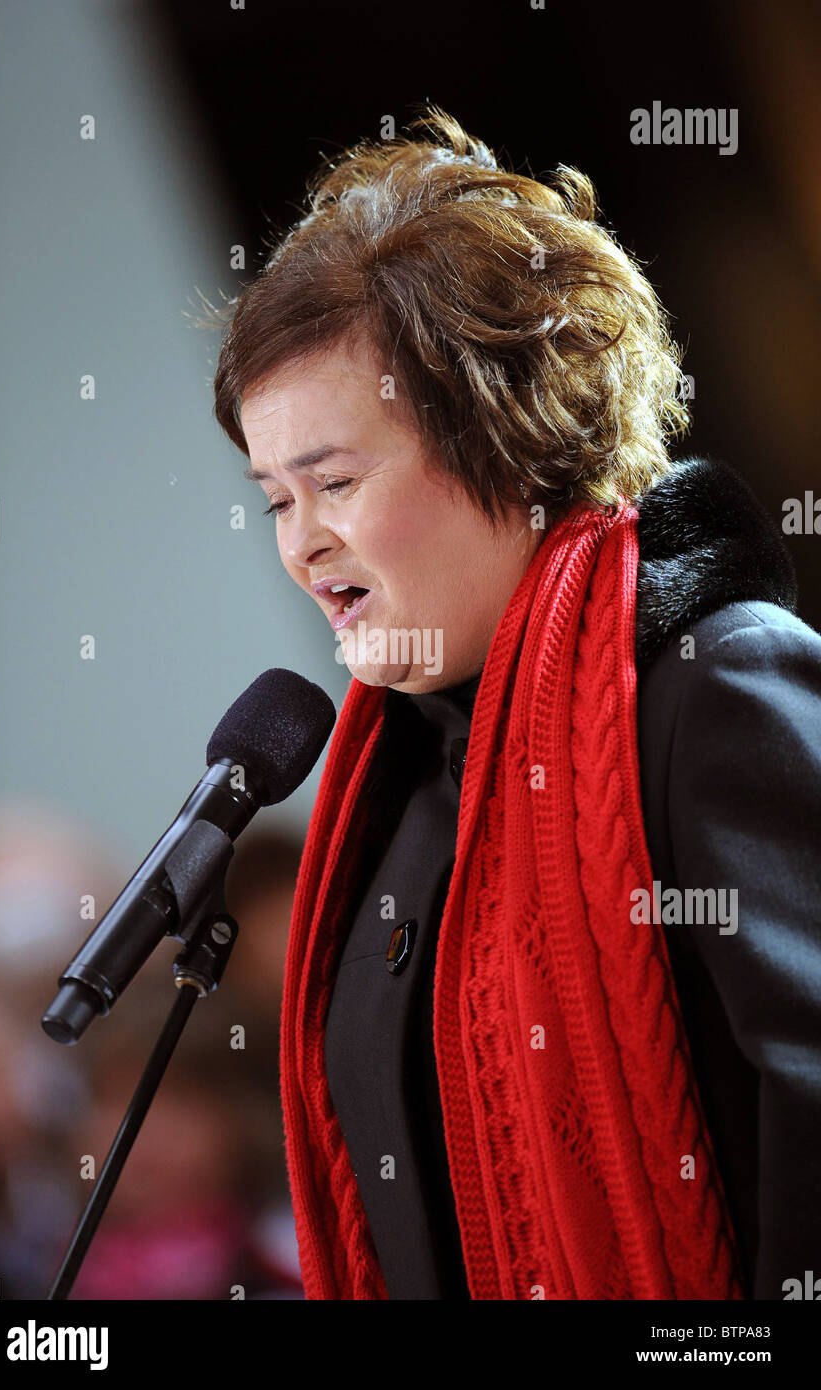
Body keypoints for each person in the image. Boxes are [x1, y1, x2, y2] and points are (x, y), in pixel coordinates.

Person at [210, 106, 821, 1300]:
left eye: (332, 479)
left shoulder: (718, 688)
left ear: (506, 434)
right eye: (275, 498)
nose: (302, 543)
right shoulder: (391, 791)